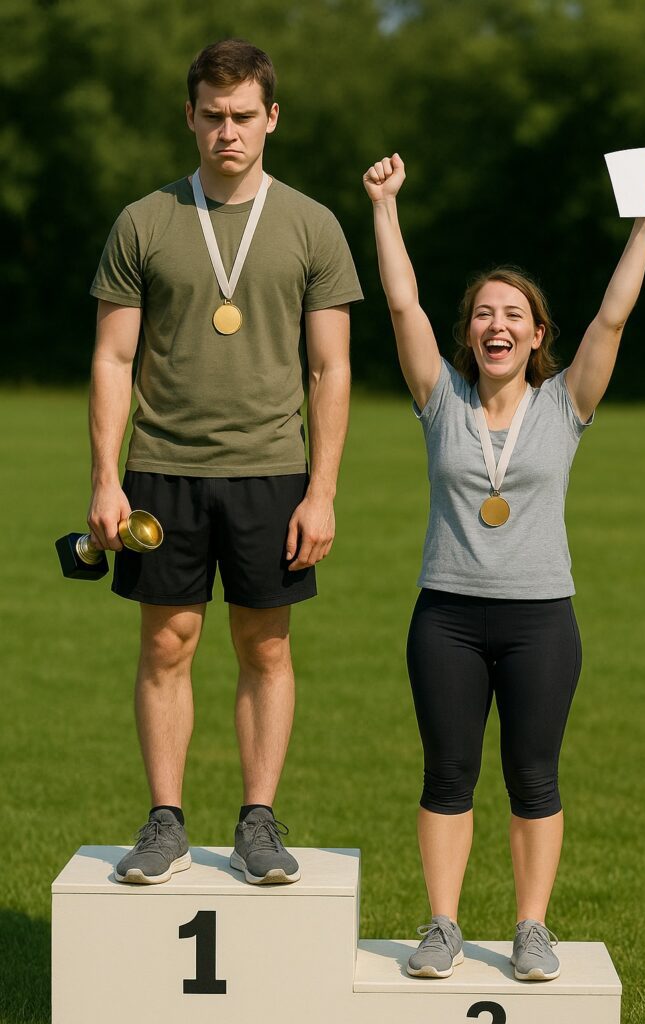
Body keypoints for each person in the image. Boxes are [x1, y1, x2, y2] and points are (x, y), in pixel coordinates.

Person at [363, 153, 645, 979]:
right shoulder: (439, 399)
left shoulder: (566, 404)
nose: (496, 325)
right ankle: (441, 924)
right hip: (447, 620)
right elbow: (399, 303)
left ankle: (531, 928)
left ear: (537, 335)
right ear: (466, 332)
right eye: (482, 315)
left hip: (542, 620)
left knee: (534, 777)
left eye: (514, 315)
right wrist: (385, 208)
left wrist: (644, 226)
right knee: (447, 776)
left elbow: (610, 320)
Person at [87, 39, 363, 886]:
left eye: (244, 116)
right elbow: (112, 360)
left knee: (265, 649)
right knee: (166, 644)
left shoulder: (312, 224)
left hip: (272, 472)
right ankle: (165, 822)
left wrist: (321, 491)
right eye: (213, 116)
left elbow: (330, 368)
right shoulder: (145, 220)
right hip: (162, 468)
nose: (228, 132)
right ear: (189, 116)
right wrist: (104, 476)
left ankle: (257, 821)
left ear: (271, 118)